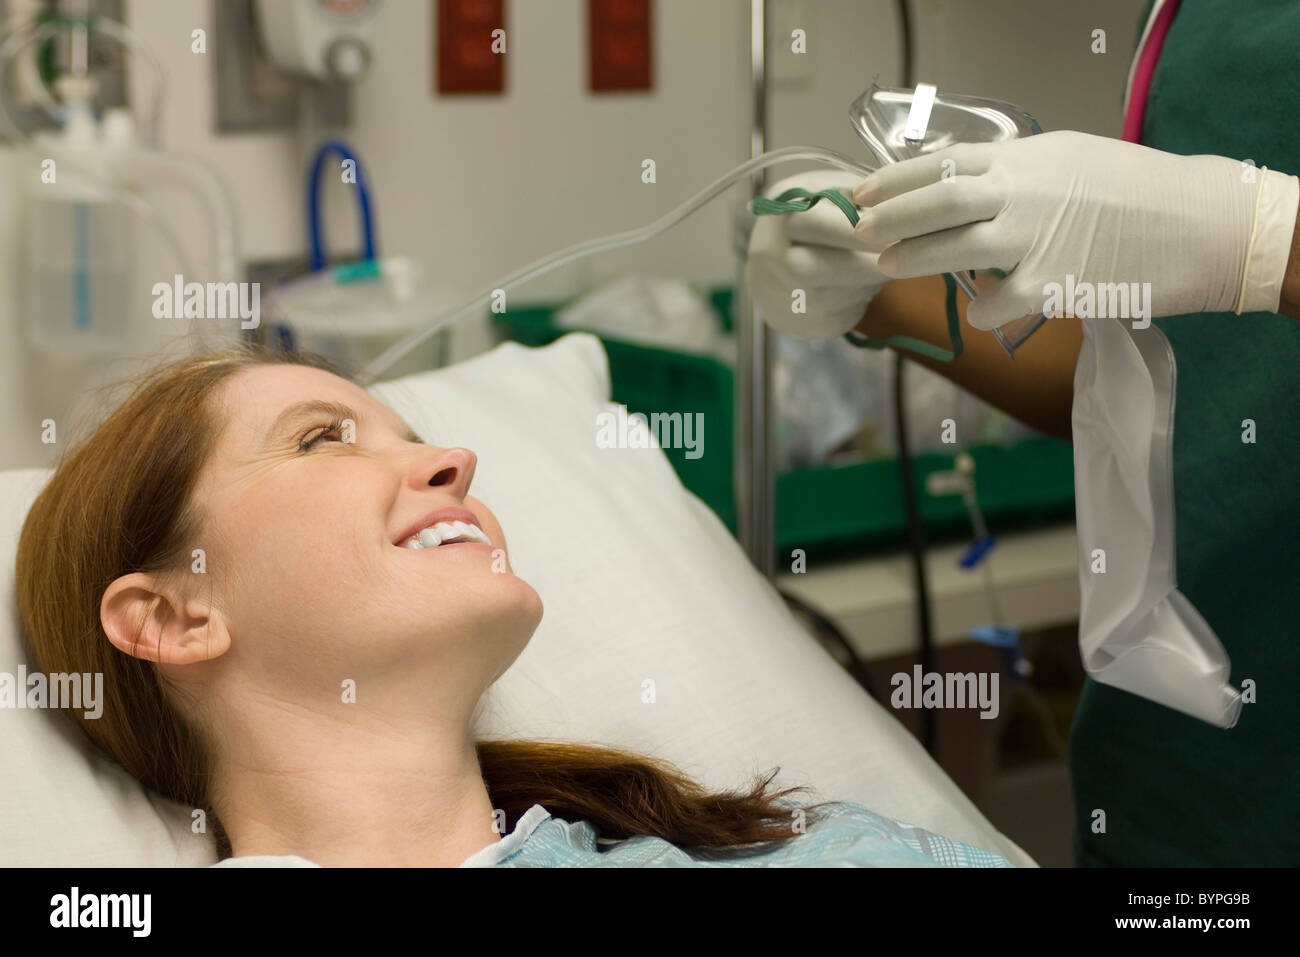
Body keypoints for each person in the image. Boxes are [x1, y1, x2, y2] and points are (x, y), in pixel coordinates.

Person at [15, 344, 1012, 868]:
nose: (454, 461)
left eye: (415, 434)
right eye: (323, 439)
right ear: (175, 618)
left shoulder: (813, 855)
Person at [744, 0, 1300, 867]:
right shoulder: (1184, 17)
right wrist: (874, 291)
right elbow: (1145, 365)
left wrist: (1264, 236)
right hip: (1176, 776)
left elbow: (1234, 252)